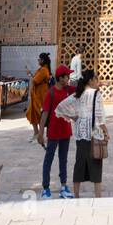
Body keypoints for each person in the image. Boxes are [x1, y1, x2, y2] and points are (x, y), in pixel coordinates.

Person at [60, 68, 108, 198]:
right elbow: (99, 115)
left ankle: (77, 195)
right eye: (96, 78)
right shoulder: (96, 94)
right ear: (91, 80)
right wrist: (106, 131)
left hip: (80, 133)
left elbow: (61, 106)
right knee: (96, 164)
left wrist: (73, 117)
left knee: (80, 163)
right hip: (94, 133)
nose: (98, 81)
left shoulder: (78, 94)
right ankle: (98, 196)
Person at [37, 64, 75, 199]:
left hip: (66, 130)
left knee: (63, 159)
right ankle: (45, 188)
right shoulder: (51, 93)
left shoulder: (68, 90)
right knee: (49, 159)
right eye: (66, 77)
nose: (68, 79)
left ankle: (64, 186)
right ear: (60, 78)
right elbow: (45, 114)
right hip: (53, 132)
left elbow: (83, 90)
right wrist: (40, 133)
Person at [26, 52, 52, 142]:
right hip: (37, 95)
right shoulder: (42, 69)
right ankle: (36, 133)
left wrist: (30, 74)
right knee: (33, 114)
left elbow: (35, 81)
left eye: (39, 59)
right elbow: (36, 79)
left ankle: (40, 134)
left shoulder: (44, 70)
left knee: (39, 115)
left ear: (43, 60)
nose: (38, 60)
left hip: (41, 96)